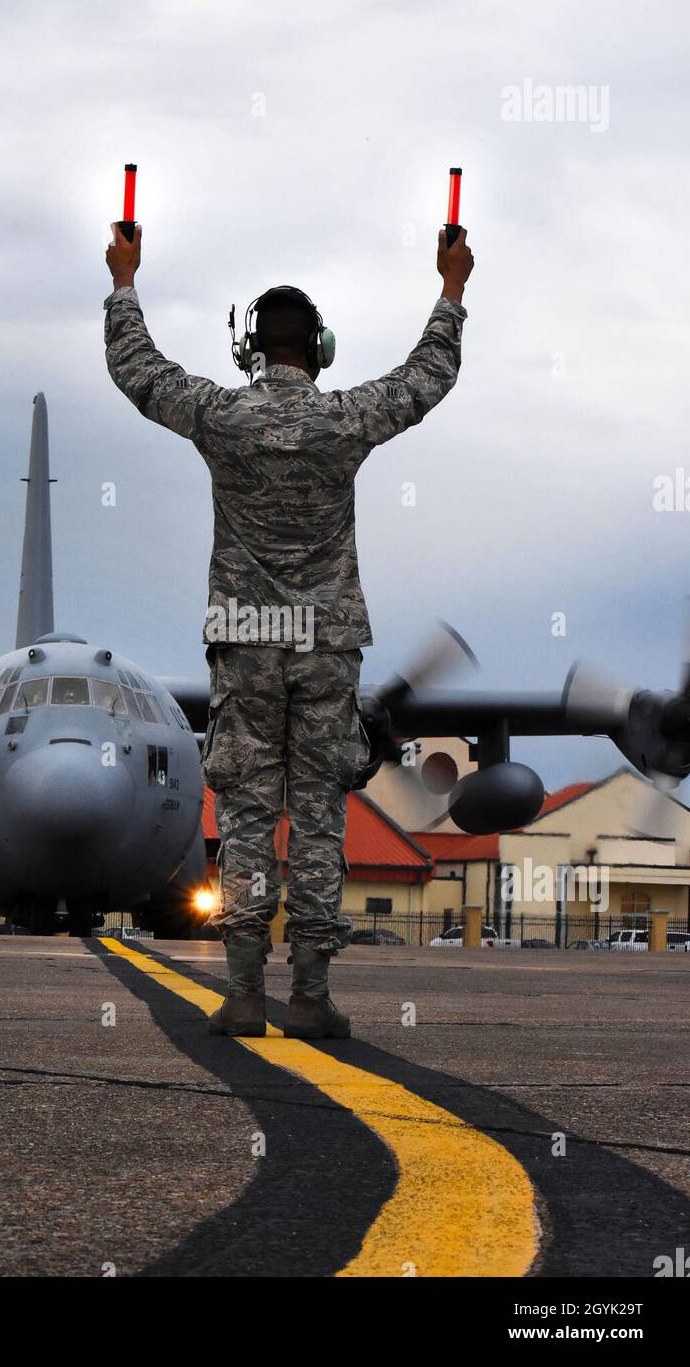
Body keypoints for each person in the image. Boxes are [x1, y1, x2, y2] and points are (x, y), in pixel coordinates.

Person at [103, 219, 474, 1039]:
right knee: (316, 817)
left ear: (253, 352)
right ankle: (309, 995)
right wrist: (450, 287)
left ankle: (241, 994)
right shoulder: (345, 420)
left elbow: (138, 371)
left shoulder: (220, 417)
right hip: (324, 643)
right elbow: (427, 377)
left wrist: (125, 279)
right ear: (321, 350)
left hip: (244, 636)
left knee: (242, 812)